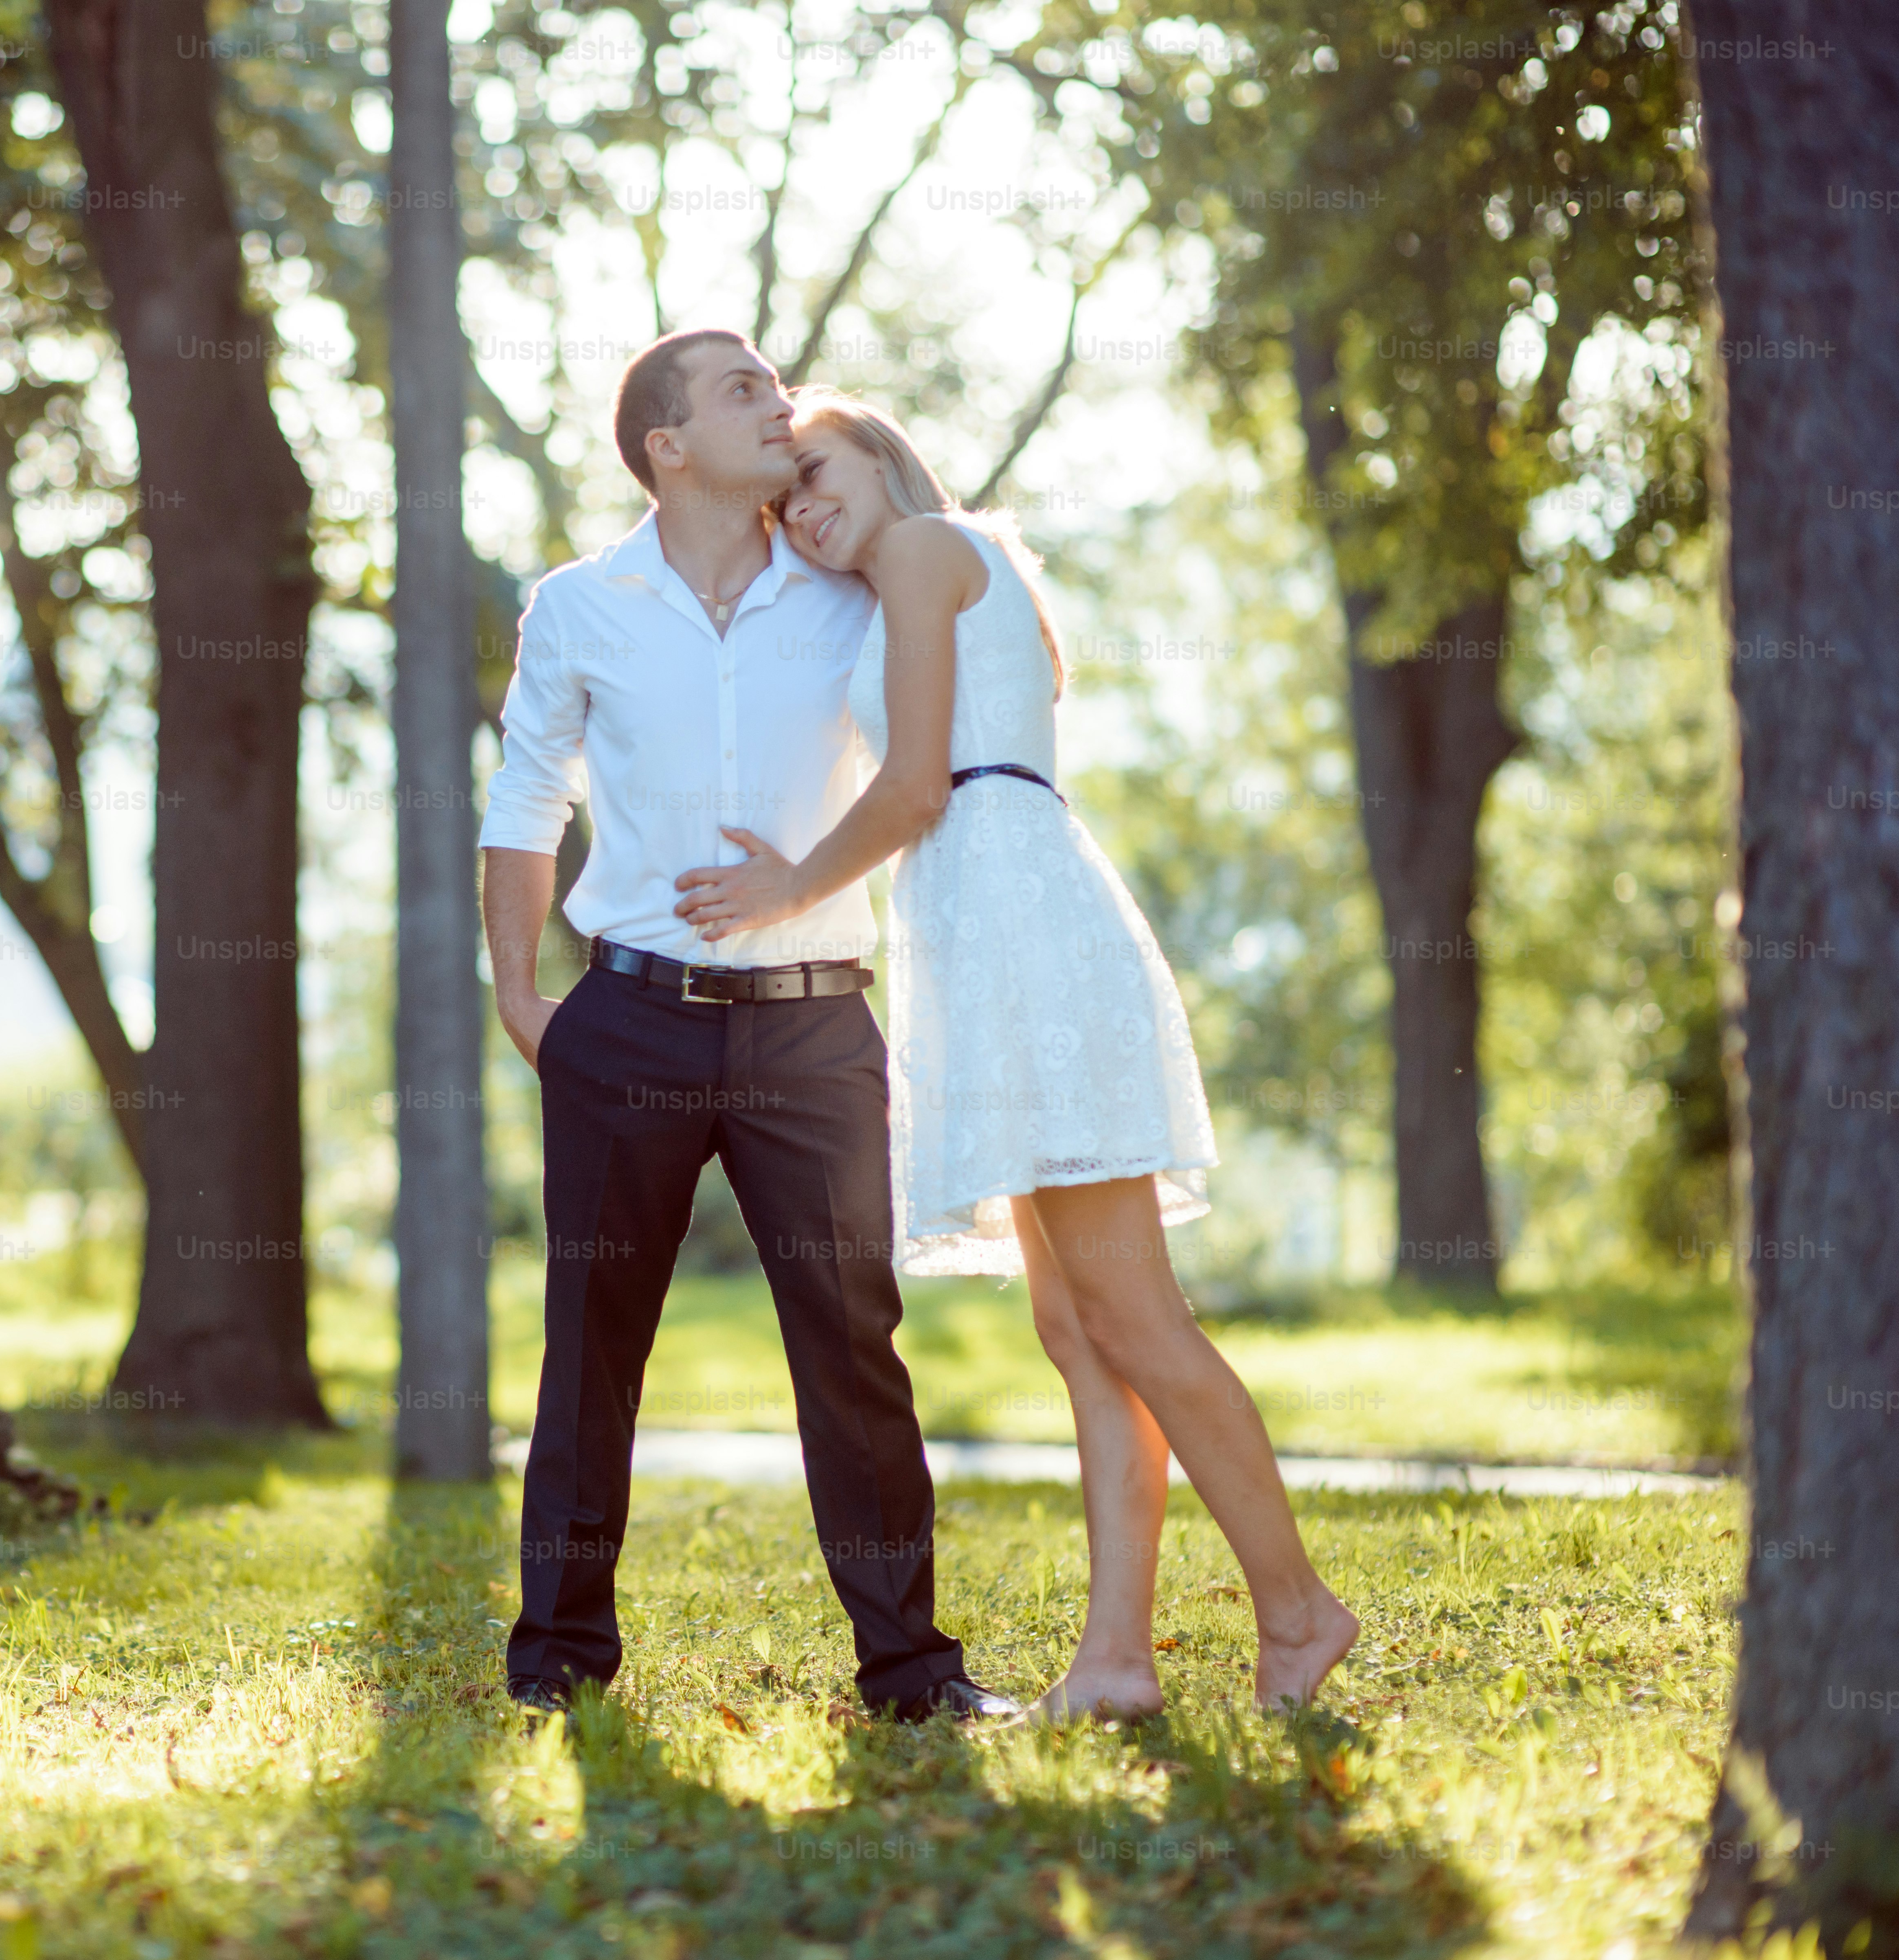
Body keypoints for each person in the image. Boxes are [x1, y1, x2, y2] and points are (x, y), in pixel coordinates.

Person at [673, 391, 1360, 1714]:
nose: (804, 508)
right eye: (783, 504)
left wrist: (786, 891)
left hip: (1027, 938)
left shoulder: (932, 549)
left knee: (1136, 1319)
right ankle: (1114, 1665)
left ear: (882, 455)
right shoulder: (903, 591)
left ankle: (1298, 1613)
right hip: (986, 943)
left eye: (816, 473)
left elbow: (919, 784)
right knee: (1078, 1327)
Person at [478, 331, 1015, 1724]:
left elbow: (929, 765)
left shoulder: (853, 588)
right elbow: (526, 801)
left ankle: (912, 1673)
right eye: (741, 391)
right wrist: (524, 996)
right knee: (590, 1349)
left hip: (817, 1032)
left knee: (854, 1350)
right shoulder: (581, 606)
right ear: (666, 445)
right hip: (629, 1020)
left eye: (778, 388)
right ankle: (557, 1664)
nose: (778, 405)